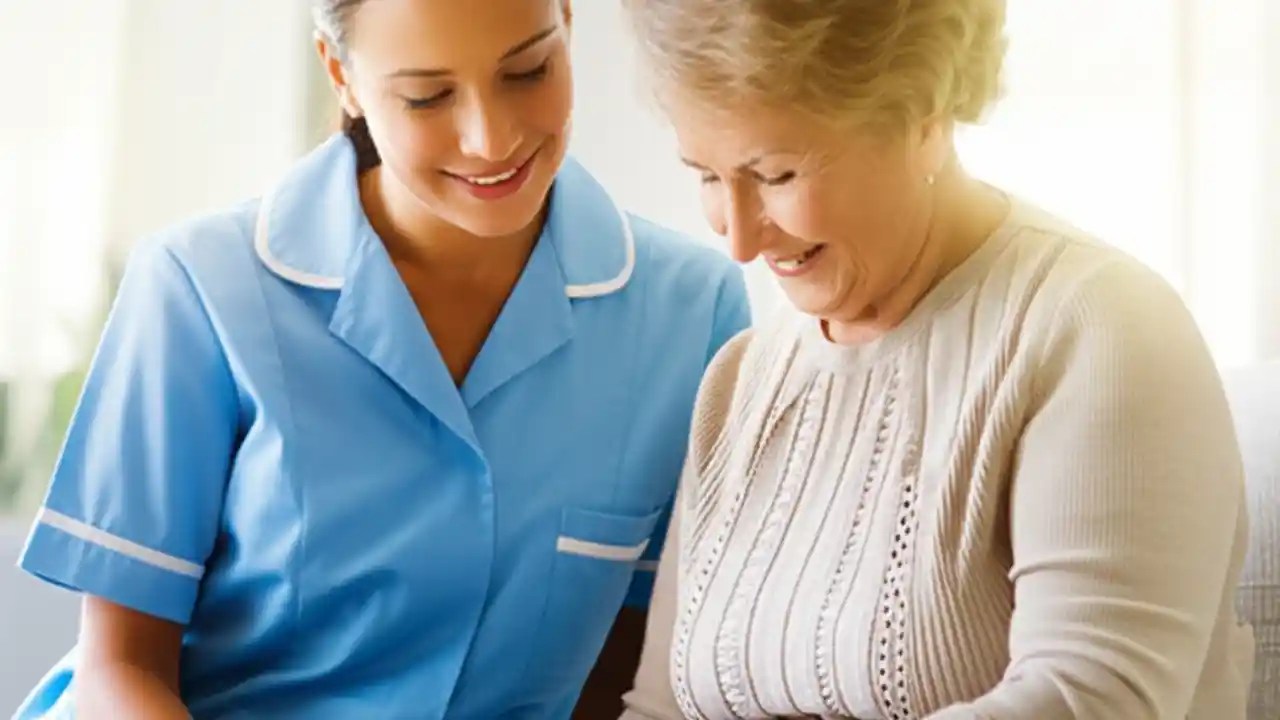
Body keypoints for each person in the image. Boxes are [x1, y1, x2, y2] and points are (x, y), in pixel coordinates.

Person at [13, 0, 751, 718]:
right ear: (341, 74)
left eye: (527, 72)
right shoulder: (199, 286)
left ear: (567, 25)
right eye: (427, 97)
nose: (490, 139)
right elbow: (123, 667)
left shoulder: (692, 312)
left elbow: (632, 671)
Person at [617, 0, 1255, 718]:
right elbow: (661, 709)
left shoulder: (1097, 330)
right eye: (706, 175)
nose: (737, 239)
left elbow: (1093, 698)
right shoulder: (740, 384)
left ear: (925, 118)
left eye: (776, 175)